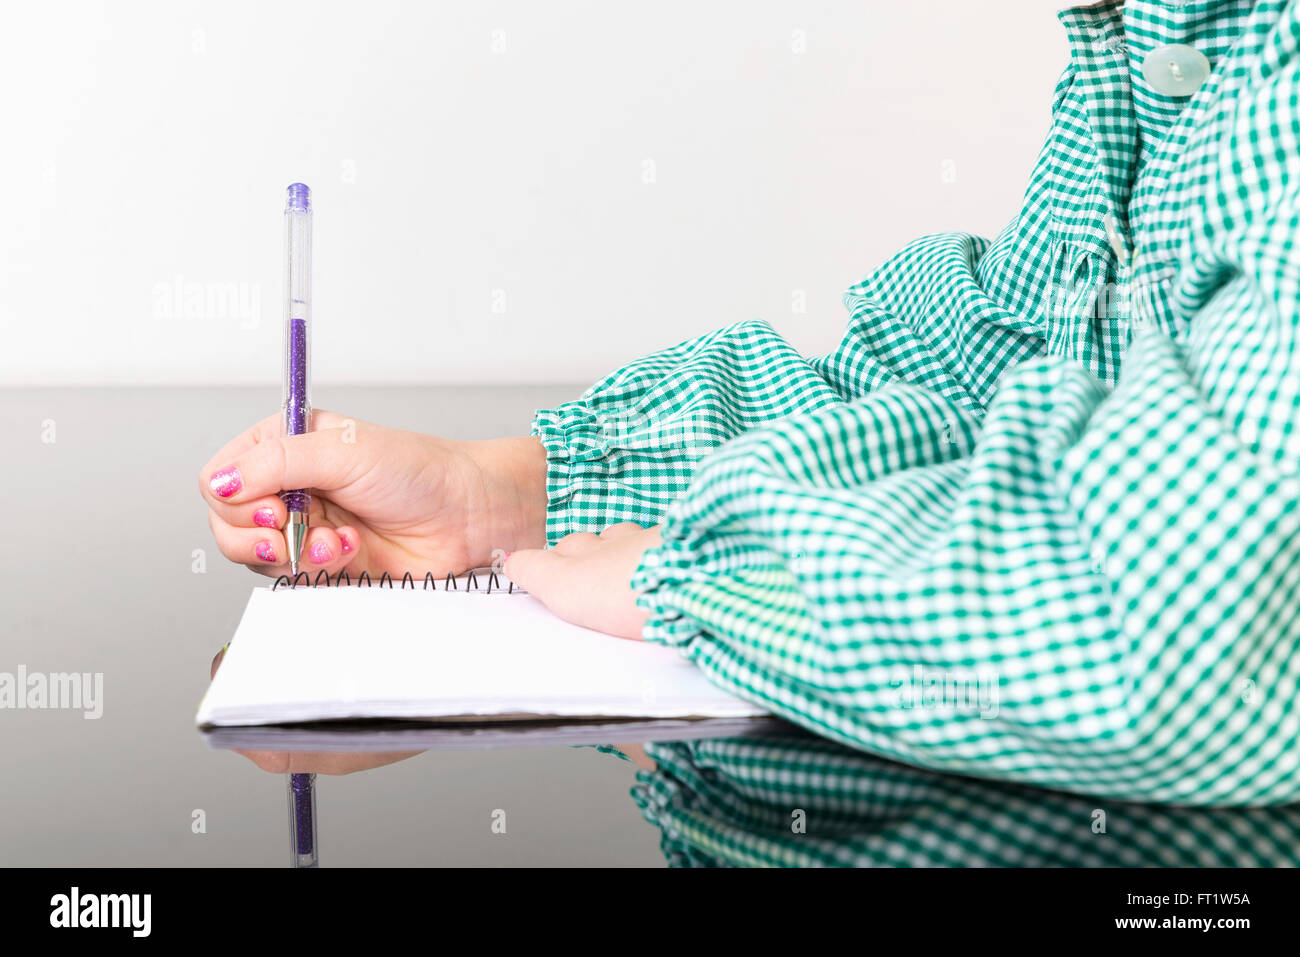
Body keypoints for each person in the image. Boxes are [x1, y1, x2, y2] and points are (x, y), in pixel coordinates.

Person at [201, 0, 1300, 805]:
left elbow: (1176, 643)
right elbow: (973, 388)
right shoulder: (1168, 44)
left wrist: (693, 578)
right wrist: (506, 500)